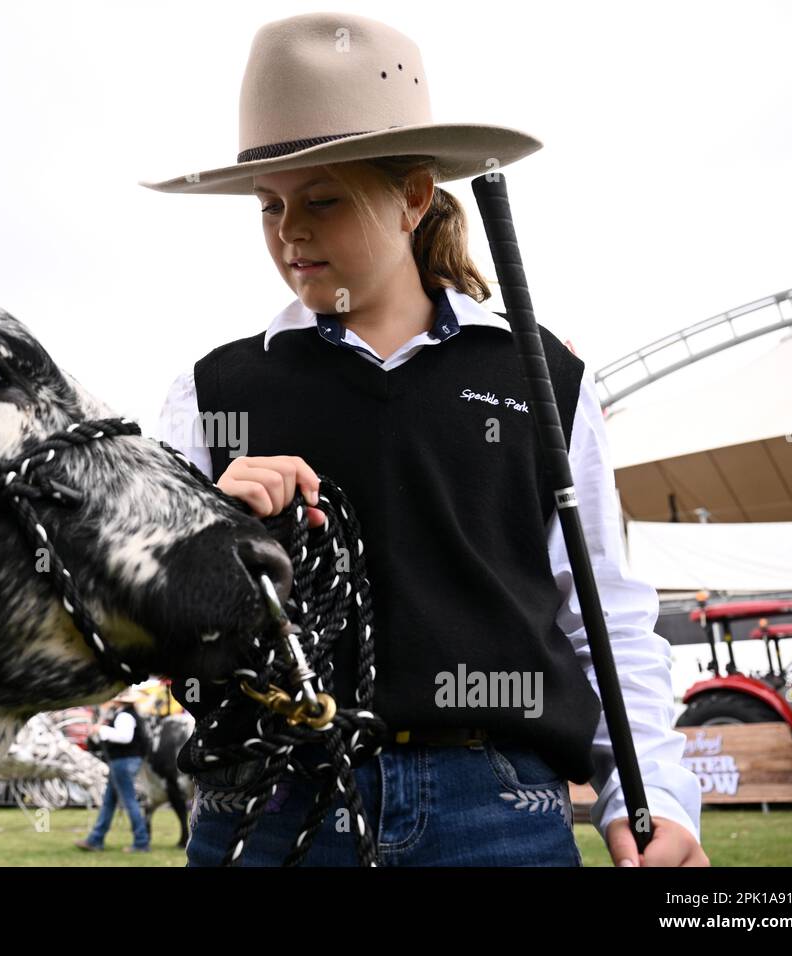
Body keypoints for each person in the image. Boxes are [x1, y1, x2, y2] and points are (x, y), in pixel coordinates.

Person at [143, 12, 707, 866]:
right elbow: (143, 620)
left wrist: (650, 792)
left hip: (499, 808)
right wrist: (206, 537)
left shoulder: (544, 378)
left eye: (322, 199)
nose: (290, 231)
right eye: (270, 205)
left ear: (412, 196)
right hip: (269, 806)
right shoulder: (210, 394)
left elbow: (604, 615)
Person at [75, 688, 151, 853]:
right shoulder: (127, 713)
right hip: (124, 761)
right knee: (109, 802)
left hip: (122, 761)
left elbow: (125, 737)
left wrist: (101, 730)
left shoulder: (124, 715)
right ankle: (96, 839)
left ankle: (141, 841)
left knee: (129, 801)